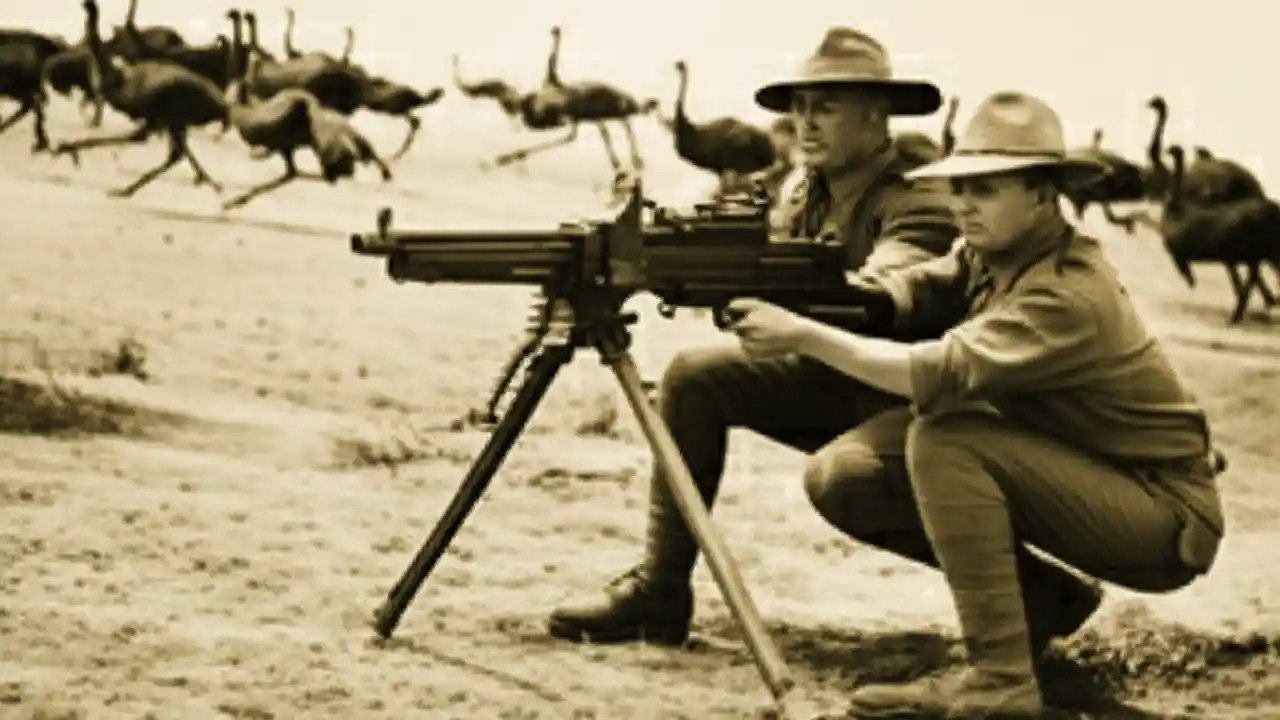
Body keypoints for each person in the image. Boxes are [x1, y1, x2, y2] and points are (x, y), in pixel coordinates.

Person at [723, 91, 1227, 718]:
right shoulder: (997, 251)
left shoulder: (1066, 294)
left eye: (985, 190)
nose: (962, 205)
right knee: (847, 473)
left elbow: (931, 371)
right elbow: (931, 282)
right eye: (957, 188)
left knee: (944, 438)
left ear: (1044, 195)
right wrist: (853, 295)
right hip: (1088, 471)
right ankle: (1046, 604)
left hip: (1159, 515)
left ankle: (1001, 680)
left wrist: (803, 334)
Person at [546, 26, 960, 647]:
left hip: (911, 400)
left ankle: (1040, 595)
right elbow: (745, 240)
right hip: (836, 382)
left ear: (877, 114)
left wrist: (786, 297)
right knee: (694, 378)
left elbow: (885, 290)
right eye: (797, 108)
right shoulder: (800, 187)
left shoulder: (920, 196)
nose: (804, 122)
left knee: (844, 480)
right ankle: (661, 591)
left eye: (825, 106)